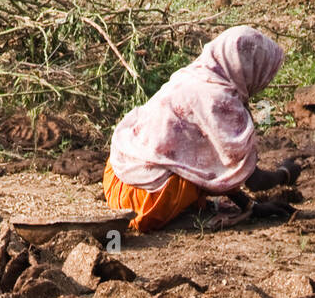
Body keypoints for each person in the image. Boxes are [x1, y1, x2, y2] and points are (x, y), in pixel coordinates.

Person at [103, 25, 300, 233]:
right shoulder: (220, 101)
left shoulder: (192, 76)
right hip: (144, 201)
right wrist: (285, 174)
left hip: (116, 178)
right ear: (250, 68)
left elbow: (214, 160)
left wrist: (251, 206)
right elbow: (255, 181)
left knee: (195, 159)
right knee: (194, 168)